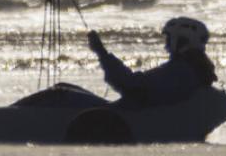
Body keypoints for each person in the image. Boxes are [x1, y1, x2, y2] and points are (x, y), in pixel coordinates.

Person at [86, 17, 216, 108]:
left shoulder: (181, 71)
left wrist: (101, 51)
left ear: (182, 41)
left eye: (169, 39)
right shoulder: (197, 69)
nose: (166, 45)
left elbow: (130, 85)